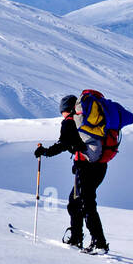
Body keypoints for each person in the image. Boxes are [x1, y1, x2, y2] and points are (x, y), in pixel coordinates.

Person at [35, 94, 109, 253]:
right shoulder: (86, 121)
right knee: (76, 202)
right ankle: (77, 238)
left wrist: (45, 152)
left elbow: (63, 144)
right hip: (100, 166)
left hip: (85, 167)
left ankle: (99, 243)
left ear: (65, 110)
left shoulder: (70, 122)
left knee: (86, 203)